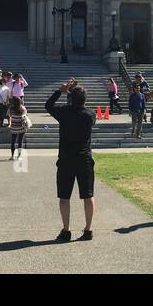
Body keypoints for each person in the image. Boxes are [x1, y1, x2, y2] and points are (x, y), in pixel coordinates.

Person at [45, 81, 96, 241]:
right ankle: (88, 229)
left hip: (66, 159)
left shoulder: (64, 112)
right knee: (88, 195)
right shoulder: (90, 114)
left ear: (70, 98)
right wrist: (73, 94)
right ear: (85, 99)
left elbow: (48, 105)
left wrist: (61, 91)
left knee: (64, 197)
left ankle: (66, 230)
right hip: (84, 159)